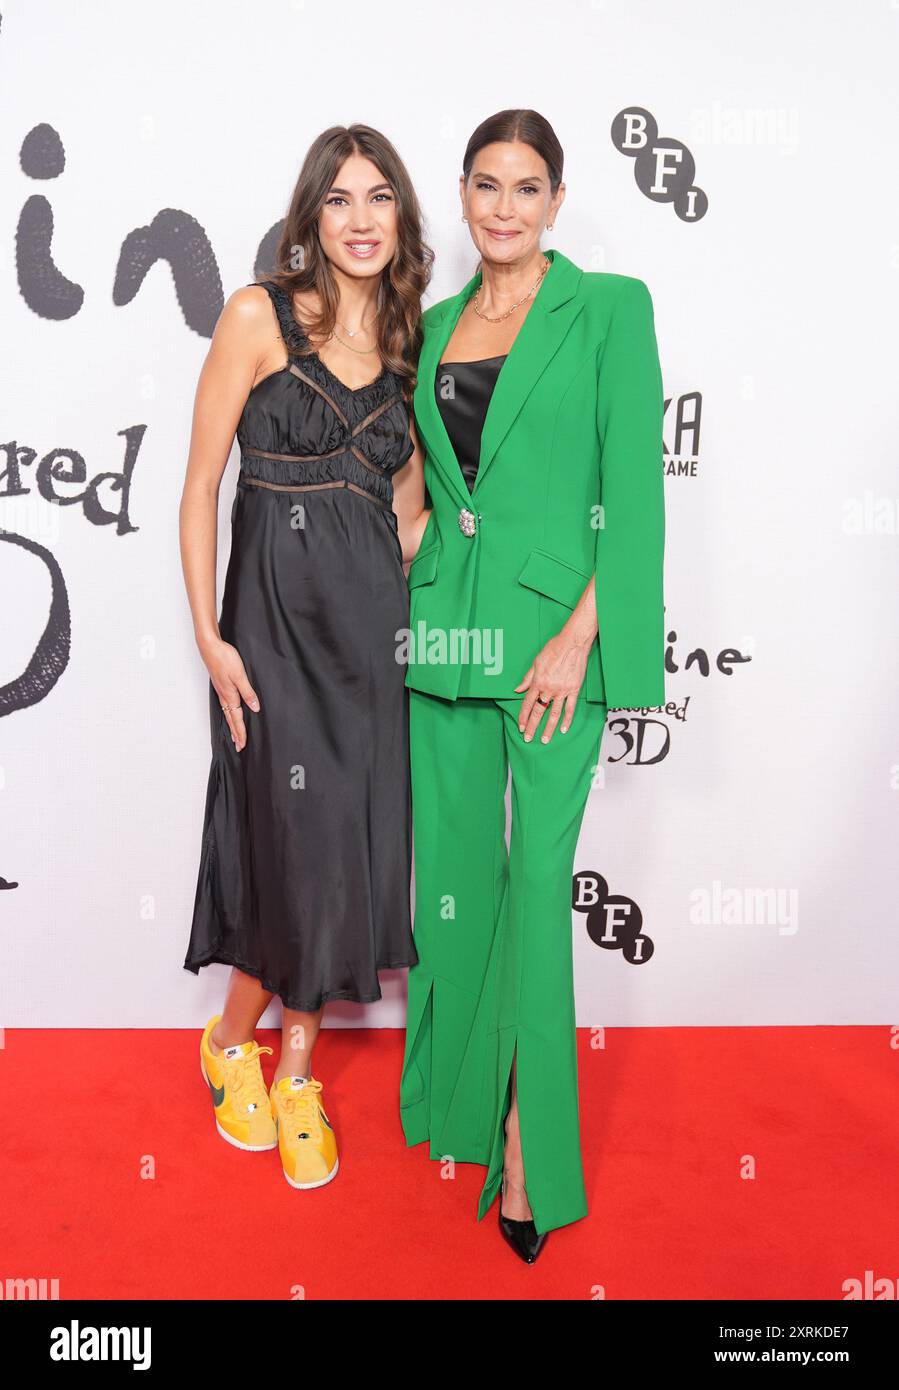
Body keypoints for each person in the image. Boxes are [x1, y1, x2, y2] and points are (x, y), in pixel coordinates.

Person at [398, 109, 666, 1261]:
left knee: (535, 888)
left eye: (526, 187)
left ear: (556, 201)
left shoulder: (607, 309)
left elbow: (632, 489)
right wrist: (403, 540)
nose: (503, 206)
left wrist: (579, 635)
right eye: (484, 184)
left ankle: (525, 1151)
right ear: (461, 195)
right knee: (453, 884)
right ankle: (457, 1105)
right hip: (445, 640)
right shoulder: (435, 323)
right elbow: (421, 471)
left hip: (552, 646)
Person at [180, 125, 433, 1190]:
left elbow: (409, 517)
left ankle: (287, 1067)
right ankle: (233, 1041)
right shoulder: (257, 316)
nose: (362, 219)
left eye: (380, 199)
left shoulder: (414, 348)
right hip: (267, 637)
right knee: (288, 844)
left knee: (339, 852)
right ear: (310, 215)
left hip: (368, 642)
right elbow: (199, 487)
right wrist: (207, 635)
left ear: (401, 220)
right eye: (340, 200)